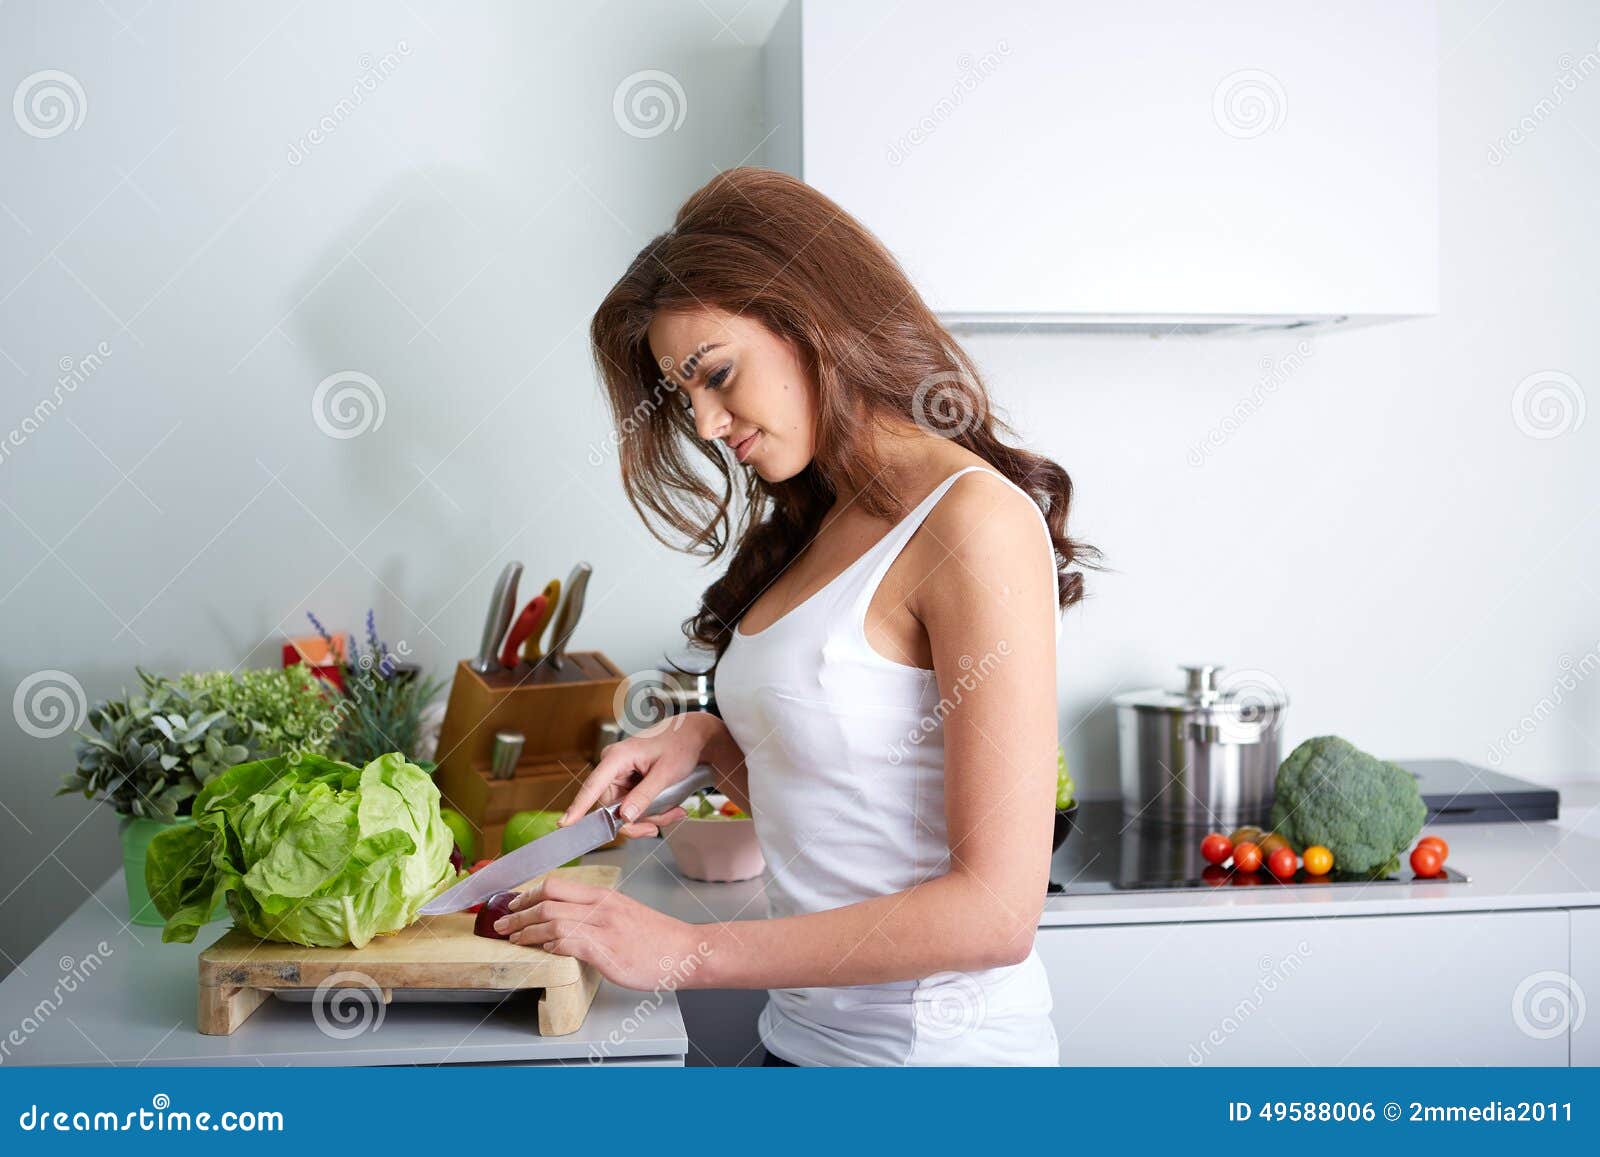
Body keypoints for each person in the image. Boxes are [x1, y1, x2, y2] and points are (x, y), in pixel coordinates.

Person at [494, 167, 1096, 1066]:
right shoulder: (829, 520)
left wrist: (680, 951)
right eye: (683, 394)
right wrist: (705, 739)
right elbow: (852, 807)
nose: (702, 422)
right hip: (803, 1050)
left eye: (717, 375)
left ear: (812, 319)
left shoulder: (975, 521)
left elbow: (996, 914)